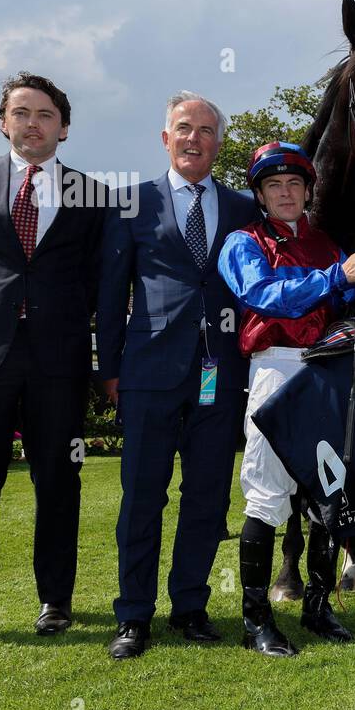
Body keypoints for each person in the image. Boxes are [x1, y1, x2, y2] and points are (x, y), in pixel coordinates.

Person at [0, 72, 106, 659]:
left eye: (46, 114)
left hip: (58, 359)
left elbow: (97, 280)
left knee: (59, 484)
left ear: (64, 126)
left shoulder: (91, 193)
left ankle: (56, 599)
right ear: (3, 121)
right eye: (22, 112)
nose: (34, 123)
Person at [96, 91, 252, 659]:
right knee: (141, 497)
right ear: (166, 138)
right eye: (184, 128)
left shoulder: (243, 208)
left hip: (220, 374)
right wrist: (109, 369)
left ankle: (190, 606)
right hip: (148, 373)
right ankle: (133, 615)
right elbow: (112, 297)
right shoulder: (130, 204)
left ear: (218, 142)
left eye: (206, 130)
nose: (194, 138)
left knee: (207, 498)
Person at [217, 142, 355, 656]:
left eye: (293, 185)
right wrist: (338, 277)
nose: (285, 194)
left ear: (308, 191)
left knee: (326, 493)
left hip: (326, 371)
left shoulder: (329, 245)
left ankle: (317, 607)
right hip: (274, 369)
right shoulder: (241, 242)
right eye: (273, 186)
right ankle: (255, 620)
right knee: (266, 492)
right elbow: (263, 295)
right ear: (260, 195)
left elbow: (346, 300)